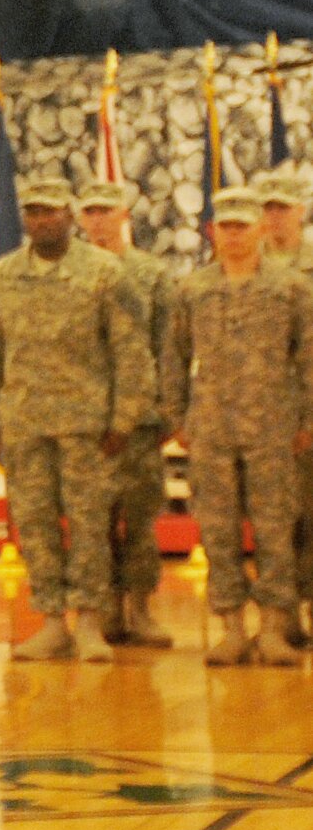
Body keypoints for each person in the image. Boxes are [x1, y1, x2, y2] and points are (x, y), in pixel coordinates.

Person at [0, 178, 154, 662]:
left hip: (87, 426)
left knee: (90, 524)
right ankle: (51, 620)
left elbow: (130, 352)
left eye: (51, 212)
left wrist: (124, 419)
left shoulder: (105, 274)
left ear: (69, 216)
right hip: (24, 423)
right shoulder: (4, 275)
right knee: (34, 526)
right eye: (32, 212)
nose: (41, 220)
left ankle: (91, 622)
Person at [164, 184, 313, 667]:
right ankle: (231, 627)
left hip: (273, 427)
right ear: (212, 231)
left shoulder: (291, 289)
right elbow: (174, 357)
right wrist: (177, 417)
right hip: (211, 429)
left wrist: (308, 418)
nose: (233, 236)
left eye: (242, 226)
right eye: (225, 226)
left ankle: (273, 628)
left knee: (275, 530)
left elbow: (309, 359)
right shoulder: (194, 289)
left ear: (261, 230)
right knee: (219, 531)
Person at [75, 179, 178, 647]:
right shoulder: (70, 272)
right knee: (91, 520)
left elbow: (167, 348)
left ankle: (140, 609)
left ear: (124, 216)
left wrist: (164, 410)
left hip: (138, 419)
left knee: (138, 518)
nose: (98, 220)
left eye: (106, 211)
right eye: (90, 212)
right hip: (85, 418)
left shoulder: (151, 274)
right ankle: (102, 612)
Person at [259, 170, 313, 648]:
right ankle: (284, 613)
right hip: (265, 414)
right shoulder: (243, 265)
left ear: (301, 210)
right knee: (278, 517)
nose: (275, 216)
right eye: (268, 208)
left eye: (283, 207)